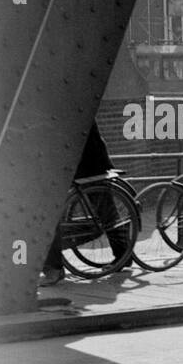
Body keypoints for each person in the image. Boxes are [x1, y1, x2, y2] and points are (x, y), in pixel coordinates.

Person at [39, 123, 128, 286]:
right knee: (107, 212)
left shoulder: (67, 106)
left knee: (51, 214)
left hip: (86, 164)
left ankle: (53, 269)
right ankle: (124, 256)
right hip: (89, 162)